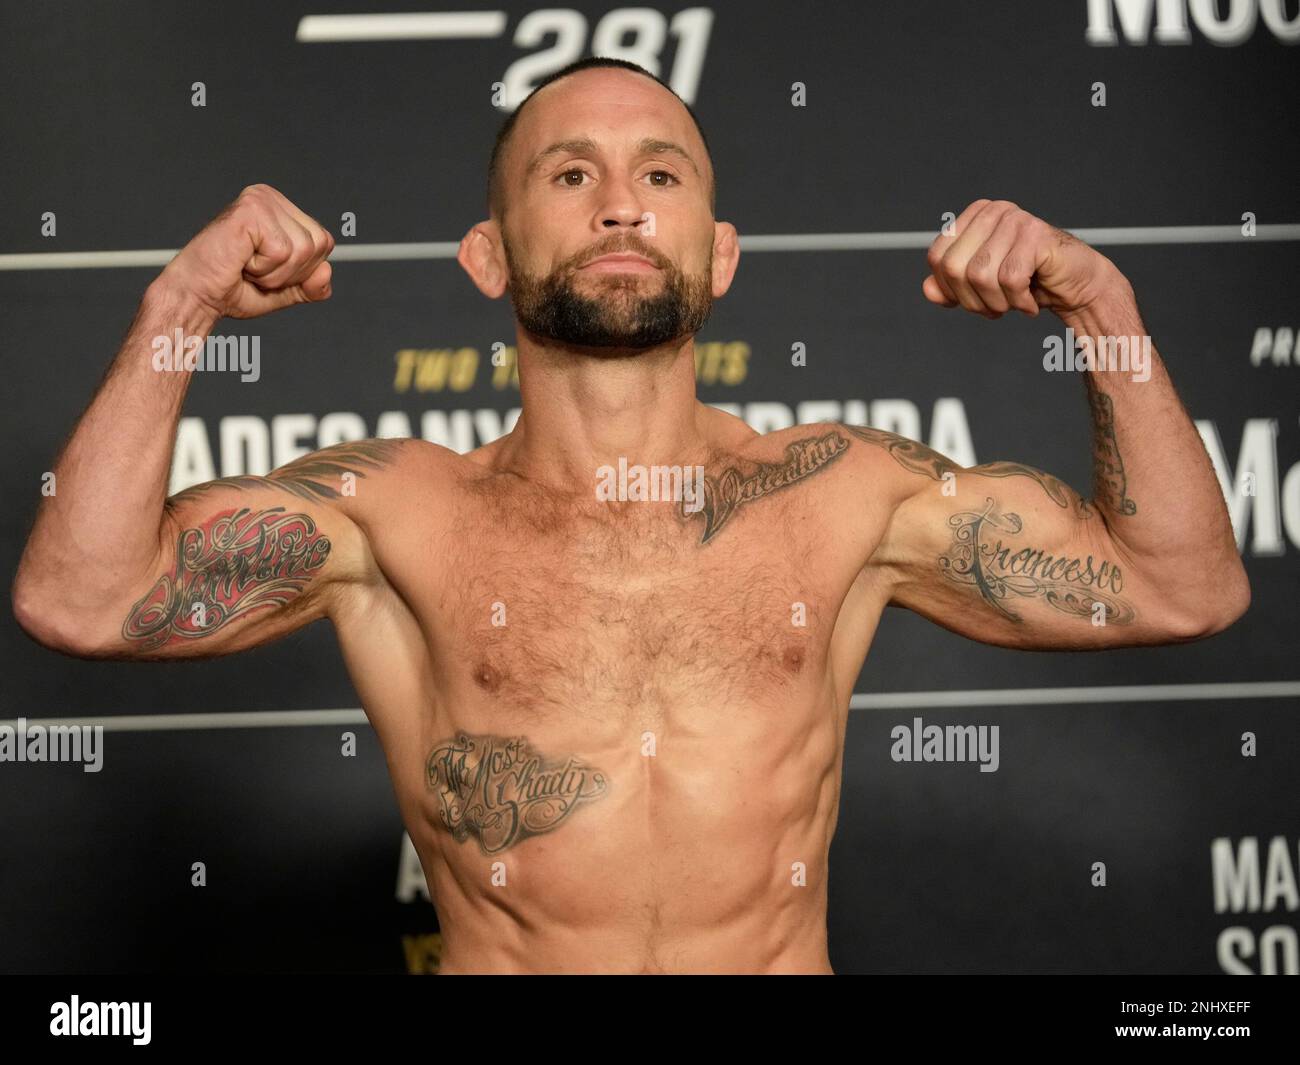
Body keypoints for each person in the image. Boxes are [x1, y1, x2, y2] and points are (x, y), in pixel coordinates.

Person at [12, 57, 1249, 974]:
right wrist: (179, 306)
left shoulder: (844, 495)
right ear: (488, 256)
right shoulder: (395, 513)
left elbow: (1181, 586)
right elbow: (82, 598)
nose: (619, 204)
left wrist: (1105, 310)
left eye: (660, 173)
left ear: (718, 256)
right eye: (569, 174)